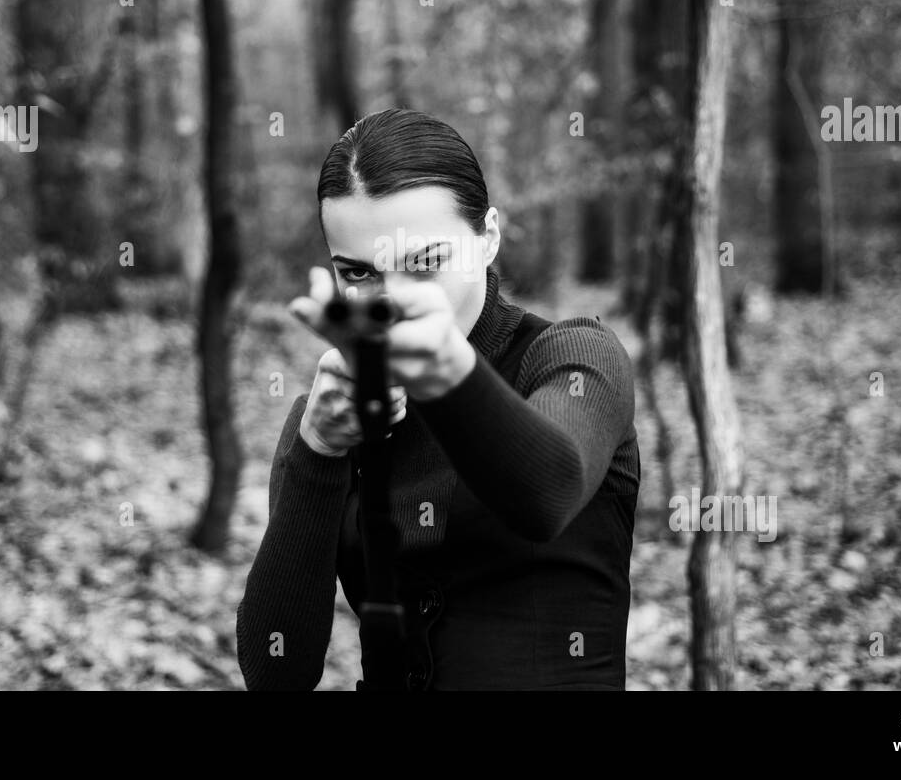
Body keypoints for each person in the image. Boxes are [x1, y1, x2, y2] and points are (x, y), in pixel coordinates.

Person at [236, 108, 641, 690]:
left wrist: (442, 370)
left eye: (423, 263)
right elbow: (276, 673)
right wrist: (318, 450)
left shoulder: (574, 358)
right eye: (358, 273)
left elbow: (546, 495)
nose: (391, 300)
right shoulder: (330, 414)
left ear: (488, 238)